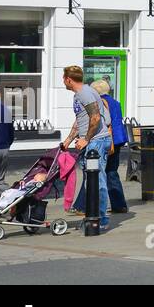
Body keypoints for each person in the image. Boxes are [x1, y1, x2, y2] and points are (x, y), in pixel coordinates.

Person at [60, 66, 112, 230]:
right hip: (92, 141)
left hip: (96, 141)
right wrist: (69, 140)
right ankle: (92, 216)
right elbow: (81, 120)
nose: (63, 81)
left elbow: (95, 117)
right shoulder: (80, 94)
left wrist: (86, 139)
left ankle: (101, 219)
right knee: (91, 181)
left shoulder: (85, 93)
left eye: (63, 78)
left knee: (98, 180)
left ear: (69, 79)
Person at [92, 80, 129, 214]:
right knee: (112, 171)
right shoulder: (115, 102)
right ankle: (119, 204)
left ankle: (88, 205)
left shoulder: (101, 103)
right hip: (118, 140)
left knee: (98, 173)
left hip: (108, 140)